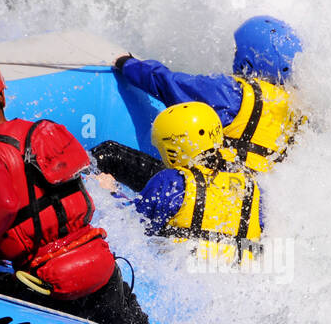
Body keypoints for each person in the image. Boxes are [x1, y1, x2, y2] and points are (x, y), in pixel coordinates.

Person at [0, 52, 159, 324]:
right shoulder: (42, 132)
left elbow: (4, 204)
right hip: (101, 267)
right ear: (1, 97)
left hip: (48, 285)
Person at [110, 15, 304, 175]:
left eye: (237, 51)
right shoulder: (297, 109)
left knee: (108, 154)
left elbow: (168, 84)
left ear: (248, 60)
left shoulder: (233, 93)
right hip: (253, 205)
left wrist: (127, 63)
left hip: (218, 194)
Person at [96, 102, 262, 266]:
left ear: (174, 147)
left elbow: (132, 225)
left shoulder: (171, 181)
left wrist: (112, 192)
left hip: (184, 272)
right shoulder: (250, 184)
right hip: (239, 273)